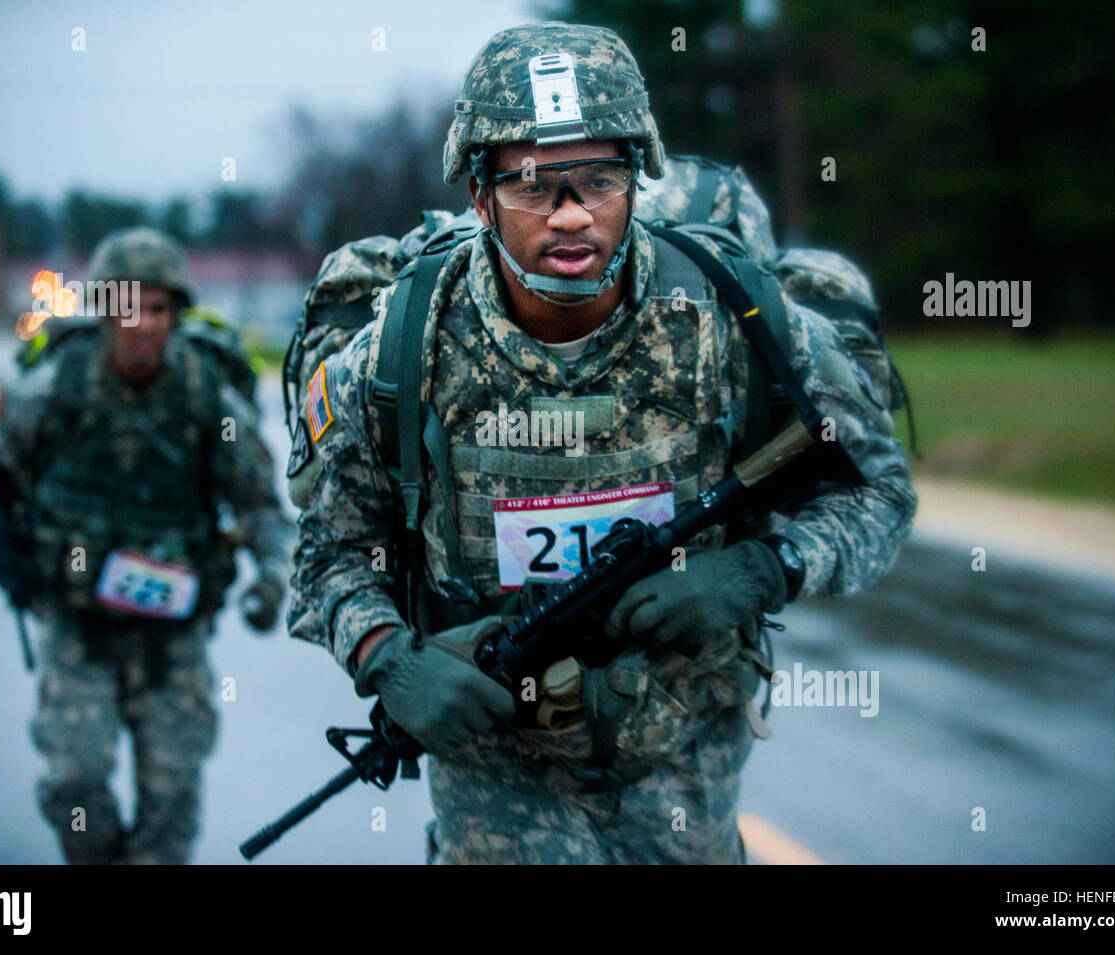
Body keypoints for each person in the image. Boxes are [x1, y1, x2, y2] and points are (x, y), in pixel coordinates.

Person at [287, 23, 915, 864]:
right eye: (532, 186)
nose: (573, 213)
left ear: (637, 177)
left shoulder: (734, 320)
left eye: (601, 179)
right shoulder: (405, 351)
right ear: (479, 195)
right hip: (495, 768)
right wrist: (388, 657)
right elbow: (330, 552)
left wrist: (768, 568)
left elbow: (877, 488)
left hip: (683, 751)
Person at [0, 227, 294, 864]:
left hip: (173, 636)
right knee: (73, 785)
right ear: (107, 311)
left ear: (177, 314)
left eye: (160, 308)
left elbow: (261, 506)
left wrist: (271, 575)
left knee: (172, 797)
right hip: (77, 626)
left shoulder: (205, 395)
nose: (145, 325)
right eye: (130, 306)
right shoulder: (54, 389)